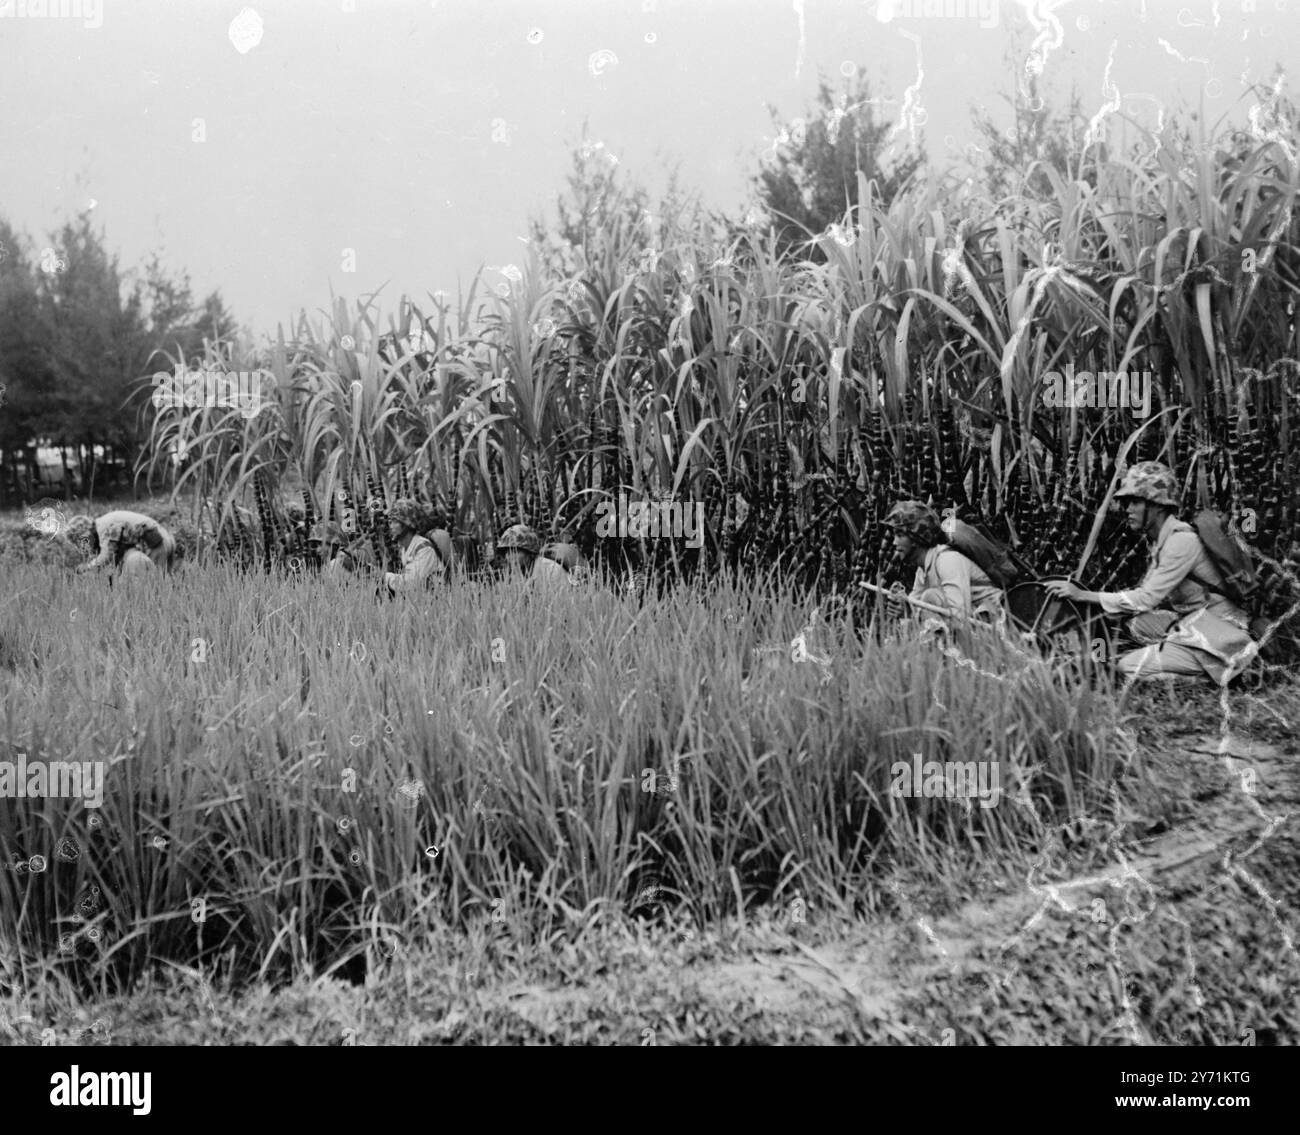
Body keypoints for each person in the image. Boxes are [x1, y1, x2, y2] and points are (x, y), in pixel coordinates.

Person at [1044, 462, 1257, 684]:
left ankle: (1227, 672)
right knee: (1131, 625)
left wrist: (1084, 595)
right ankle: (1179, 651)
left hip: (1218, 629)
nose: (1127, 509)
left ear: (1157, 506)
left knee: (1127, 668)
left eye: (1135, 502)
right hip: (1192, 620)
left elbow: (1146, 599)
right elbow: (1148, 596)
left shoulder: (1180, 542)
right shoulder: (1163, 540)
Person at [882, 500, 1004, 626]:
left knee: (930, 596)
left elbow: (959, 614)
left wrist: (918, 614)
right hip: (978, 621)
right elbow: (916, 609)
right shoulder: (923, 570)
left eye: (900, 535)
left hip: (997, 616)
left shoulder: (947, 560)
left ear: (915, 537)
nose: (894, 542)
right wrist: (904, 609)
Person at [64, 511, 176, 577]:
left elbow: (106, 555)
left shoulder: (103, 527)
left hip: (157, 543)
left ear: (85, 532)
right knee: (165, 582)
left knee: (154, 586)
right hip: (164, 538)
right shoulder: (104, 523)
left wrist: (88, 567)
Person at [382, 499, 443, 595]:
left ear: (407, 525)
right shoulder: (404, 548)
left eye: (395, 522)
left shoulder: (424, 549)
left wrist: (385, 577)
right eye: (390, 522)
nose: (391, 526)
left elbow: (411, 584)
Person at [497, 524, 572, 589]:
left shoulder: (551, 571)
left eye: (515, 552)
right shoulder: (516, 574)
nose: (510, 557)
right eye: (507, 552)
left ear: (530, 552)